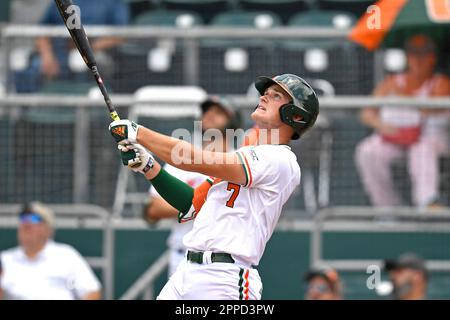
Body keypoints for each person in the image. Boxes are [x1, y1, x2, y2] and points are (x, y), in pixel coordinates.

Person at [109, 73, 319, 300]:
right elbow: (190, 204)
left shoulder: (281, 160)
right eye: (266, 93)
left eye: (276, 95)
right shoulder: (245, 155)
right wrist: (149, 167)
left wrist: (138, 133)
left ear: (295, 115)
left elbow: (193, 159)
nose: (265, 97)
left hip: (225, 278)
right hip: (186, 272)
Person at [144, 96, 237, 277]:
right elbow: (153, 209)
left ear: (233, 122)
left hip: (225, 262)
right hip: (183, 258)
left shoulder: (241, 162)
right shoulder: (182, 159)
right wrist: (204, 200)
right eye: (206, 111)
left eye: (218, 112)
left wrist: (189, 200)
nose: (209, 115)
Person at [355, 34, 450, 208]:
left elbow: (431, 108)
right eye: (414, 54)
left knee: (422, 148)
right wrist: (382, 126)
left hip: (431, 140)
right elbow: (367, 113)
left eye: (424, 54)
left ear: (432, 58)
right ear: (407, 57)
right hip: (395, 137)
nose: (418, 59)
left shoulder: (441, 82)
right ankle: (388, 209)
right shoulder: (391, 81)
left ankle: (427, 203)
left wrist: (402, 97)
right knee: (367, 151)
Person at [14, 0, 130, 92]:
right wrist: (47, 55)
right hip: (58, 53)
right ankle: (24, 118)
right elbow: (42, 31)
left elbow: (121, 35)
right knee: (32, 66)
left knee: (78, 62)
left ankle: (81, 116)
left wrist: (86, 47)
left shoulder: (112, 2)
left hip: (94, 54)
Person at [0, 202, 102, 300]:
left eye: (34, 219)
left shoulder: (66, 255)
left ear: (48, 229)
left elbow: (91, 291)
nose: (26, 224)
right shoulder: (5, 259)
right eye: (22, 219)